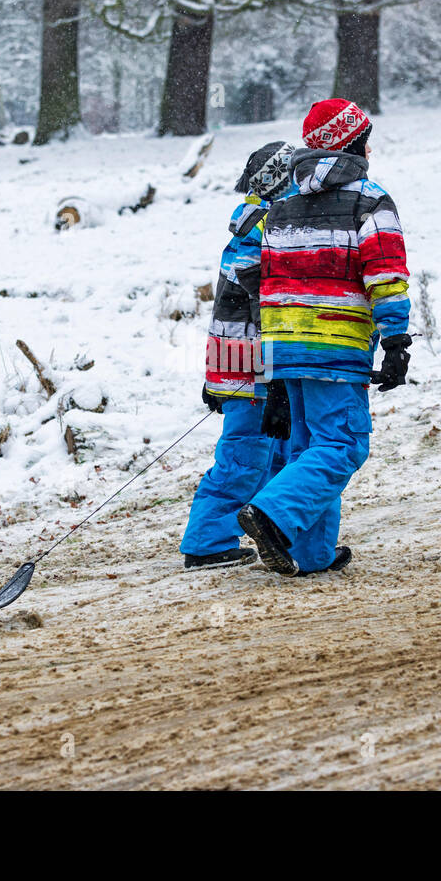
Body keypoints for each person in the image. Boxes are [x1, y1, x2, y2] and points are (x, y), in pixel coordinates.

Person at [237, 99, 411, 576]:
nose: (371, 147)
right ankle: (273, 516)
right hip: (334, 347)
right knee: (343, 443)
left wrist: (270, 367)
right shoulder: (370, 201)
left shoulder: (282, 207)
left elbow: (267, 288)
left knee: (306, 447)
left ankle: (308, 554)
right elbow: (386, 275)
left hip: (284, 344)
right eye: (364, 139)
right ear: (353, 145)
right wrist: (397, 340)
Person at [180, 141, 296, 569]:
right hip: (250, 366)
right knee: (244, 457)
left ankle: (269, 527)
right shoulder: (264, 229)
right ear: (283, 181)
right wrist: (274, 374)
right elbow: (259, 306)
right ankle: (207, 542)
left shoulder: (257, 224)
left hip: (241, 363)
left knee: (275, 451)